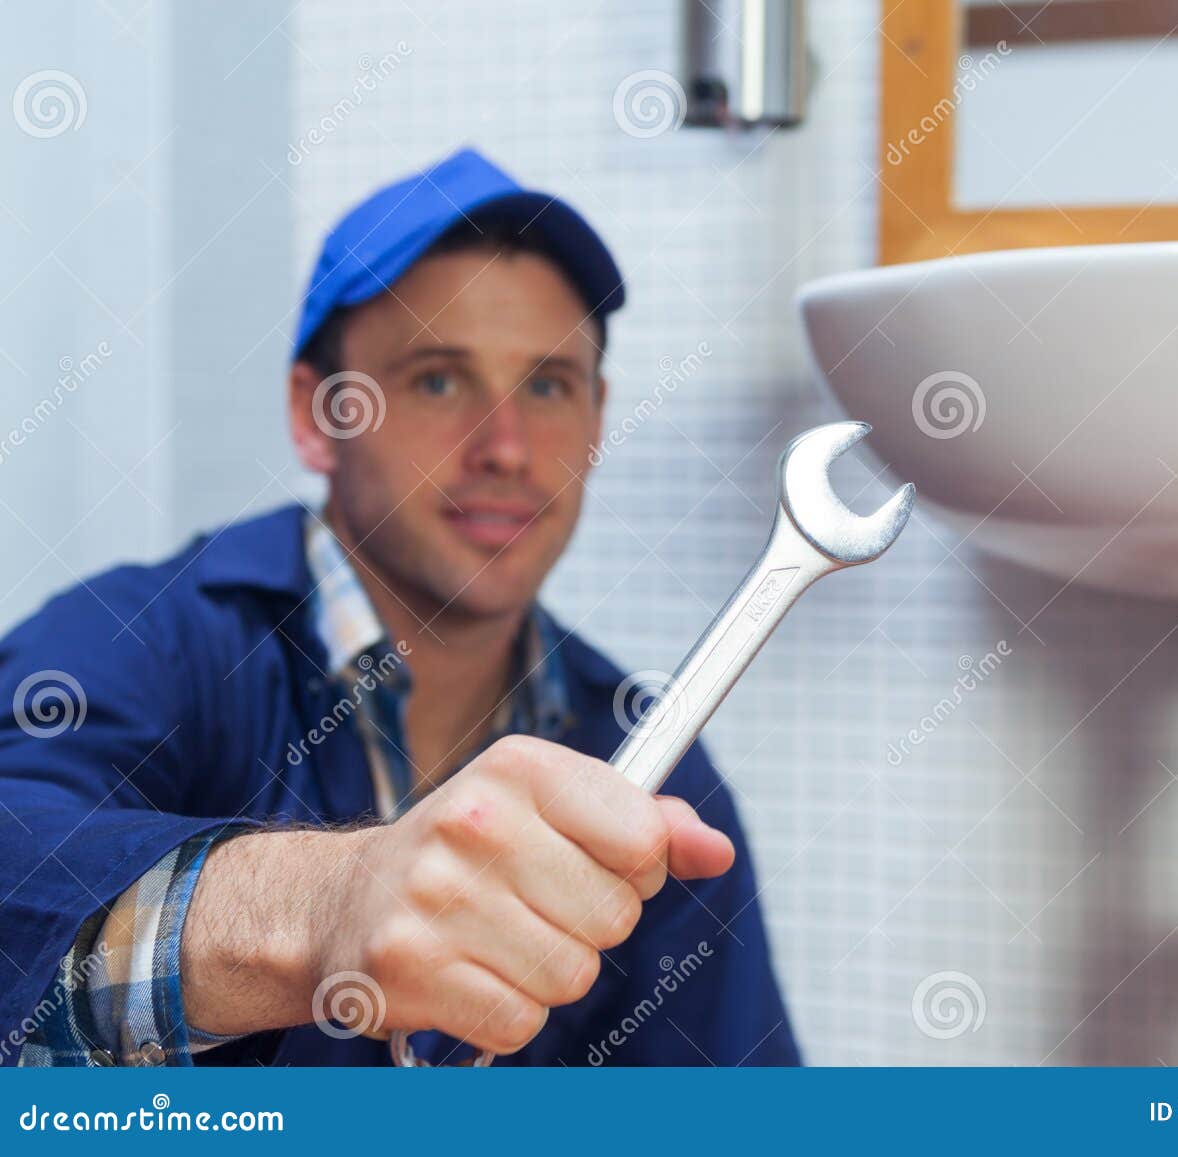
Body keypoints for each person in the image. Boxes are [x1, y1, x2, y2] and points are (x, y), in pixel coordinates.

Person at [0, 147, 799, 1067]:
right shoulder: (136, 644)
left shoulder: (650, 768)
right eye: (438, 379)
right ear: (317, 414)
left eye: (547, 385)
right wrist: (320, 905)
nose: (506, 447)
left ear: (597, 417)